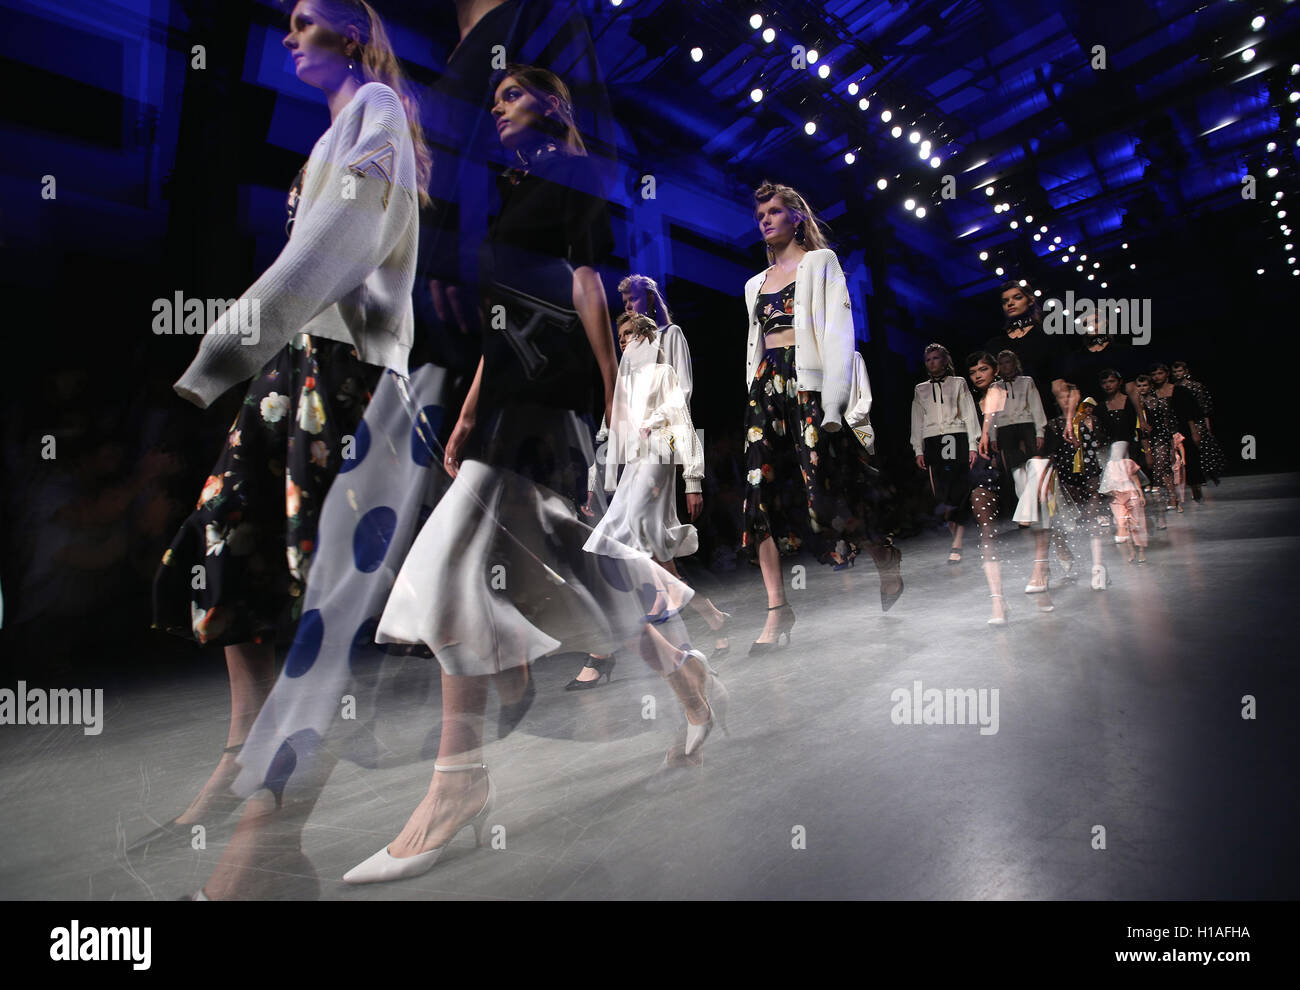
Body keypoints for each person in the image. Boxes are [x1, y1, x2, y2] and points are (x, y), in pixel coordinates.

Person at [342, 65, 724, 885]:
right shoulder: (508, 199)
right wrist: (473, 407)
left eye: (512, 94)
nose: (498, 108)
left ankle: (456, 786)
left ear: (551, 103)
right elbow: (494, 324)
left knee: (448, 565)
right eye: (494, 99)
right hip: (509, 395)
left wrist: (617, 397)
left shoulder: (577, 176)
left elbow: (588, 283)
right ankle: (689, 678)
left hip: (551, 401)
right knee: (585, 577)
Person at [142, 0, 427, 846]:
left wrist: (222, 348)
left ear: (351, 31)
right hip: (297, 360)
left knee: (313, 568)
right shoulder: (326, 136)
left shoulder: (378, 109)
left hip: (345, 369)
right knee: (234, 535)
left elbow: (344, 242)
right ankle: (243, 752)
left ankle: (283, 759)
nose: (289, 32)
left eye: (306, 18)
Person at [740, 181, 903, 654]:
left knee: (830, 488)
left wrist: (833, 401)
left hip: (810, 386)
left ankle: (883, 555)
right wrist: (751, 393)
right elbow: (754, 347)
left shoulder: (821, 263)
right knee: (758, 489)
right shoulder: (754, 284)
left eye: (774, 211)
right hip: (765, 387)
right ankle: (777, 609)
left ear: (796, 216)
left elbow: (838, 334)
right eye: (760, 215)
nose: (766, 220)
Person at [910, 344, 981, 563]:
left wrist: (972, 445)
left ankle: (957, 543)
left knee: (957, 491)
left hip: (955, 436)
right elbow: (917, 421)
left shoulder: (958, 383)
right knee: (942, 495)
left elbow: (969, 414)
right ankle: (956, 538)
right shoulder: (920, 389)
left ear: (945, 360)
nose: (932, 362)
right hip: (932, 440)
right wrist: (918, 449)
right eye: (928, 359)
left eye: (936, 358)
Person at [965, 352, 1012, 623]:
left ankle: (1047, 568)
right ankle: (998, 601)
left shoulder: (1006, 390)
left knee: (1040, 524)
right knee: (987, 532)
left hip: (1015, 462)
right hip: (985, 469)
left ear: (995, 370)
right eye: (974, 371)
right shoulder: (970, 401)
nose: (978, 375)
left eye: (983, 369)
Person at [1172, 360, 1223, 485]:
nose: (1178, 374)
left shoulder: (1195, 386)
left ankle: (1208, 474)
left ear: (1186, 371)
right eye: (1175, 372)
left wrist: (1207, 424)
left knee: (1202, 446)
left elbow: (1203, 406)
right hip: (1181, 422)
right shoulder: (1173, 388)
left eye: (1180, 371)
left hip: (1197, 420)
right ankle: (1194, 476)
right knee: (1187, 449)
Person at [1100, 441, 1148, 563]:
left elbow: (1135, 479)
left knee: (1136, 525)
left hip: (1131, 494)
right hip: (1117, 497)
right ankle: (1131, 551)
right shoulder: (1110, 465)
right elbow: (1107, 484)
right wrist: (1112, 493)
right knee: (1123, 524)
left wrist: (1141, 495)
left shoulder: (1129, 463)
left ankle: (1141, 551)